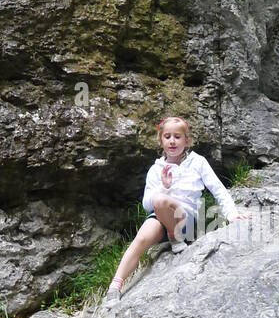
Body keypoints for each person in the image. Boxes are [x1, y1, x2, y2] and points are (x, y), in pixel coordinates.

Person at [103, 115, 248, 306]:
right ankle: (115, 287)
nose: (172, 141)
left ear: (187, 141)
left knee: (162, 201)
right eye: (167, 136)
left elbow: (217, 188)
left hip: (186, 219)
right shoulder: (156, 169)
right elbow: (147, 204)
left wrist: (232, 214)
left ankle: (176, 235)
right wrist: (164, 186)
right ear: (161, 141)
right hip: (162, 217)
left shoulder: (198, 162)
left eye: (177, 137)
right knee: (142, 237)